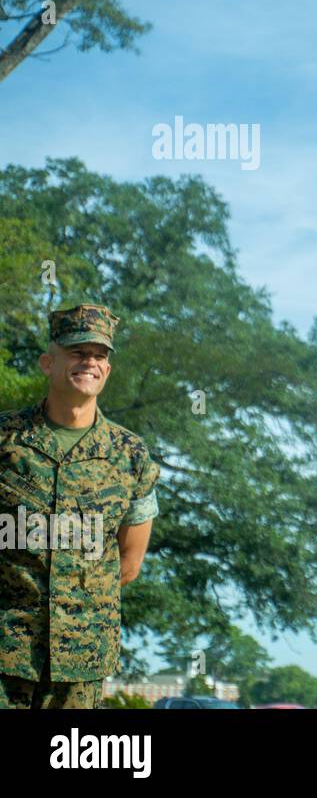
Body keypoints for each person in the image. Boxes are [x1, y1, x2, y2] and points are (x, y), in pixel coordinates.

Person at [0, 303, 160, 709]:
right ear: (47, 363)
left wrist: (75, 607)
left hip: (82, 660)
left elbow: (129, 562)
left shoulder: (131, 455)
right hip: (4, 651)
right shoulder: (5, 439)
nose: (90, 362)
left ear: (107, 369)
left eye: (100, 355)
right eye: (77, 352)